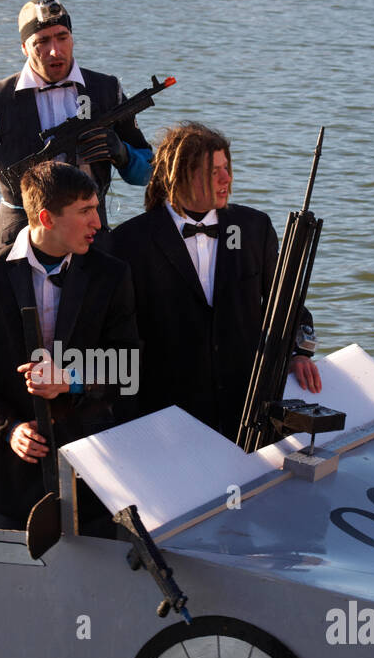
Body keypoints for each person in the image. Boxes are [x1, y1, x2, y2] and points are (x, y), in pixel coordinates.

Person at [0, 161, 139, 530]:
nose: (97, 223)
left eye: (95, 209)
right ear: (47, 218)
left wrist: (69, 379)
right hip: (9, 475)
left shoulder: (112, 275)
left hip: (91, 471)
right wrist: (9, 429)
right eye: (85, 211)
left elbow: (129, 365)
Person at [110, 122, 322, 442]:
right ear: (179, 175)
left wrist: (299, 352)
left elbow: (286, 299)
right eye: (214, 172)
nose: (227, 179)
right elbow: (119, 334)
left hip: (245, 403)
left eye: (227, 168)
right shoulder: (129, 241)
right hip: (167, 412)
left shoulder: (254, 228)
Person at [0, 0, 154, 248]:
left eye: (62, 37)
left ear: (72, 38)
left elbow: (147, 173)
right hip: (20, 240)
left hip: (92, 238)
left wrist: (122, 154)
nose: (55, 50)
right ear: (24, 47)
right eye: (42, 41)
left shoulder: (106, 90)